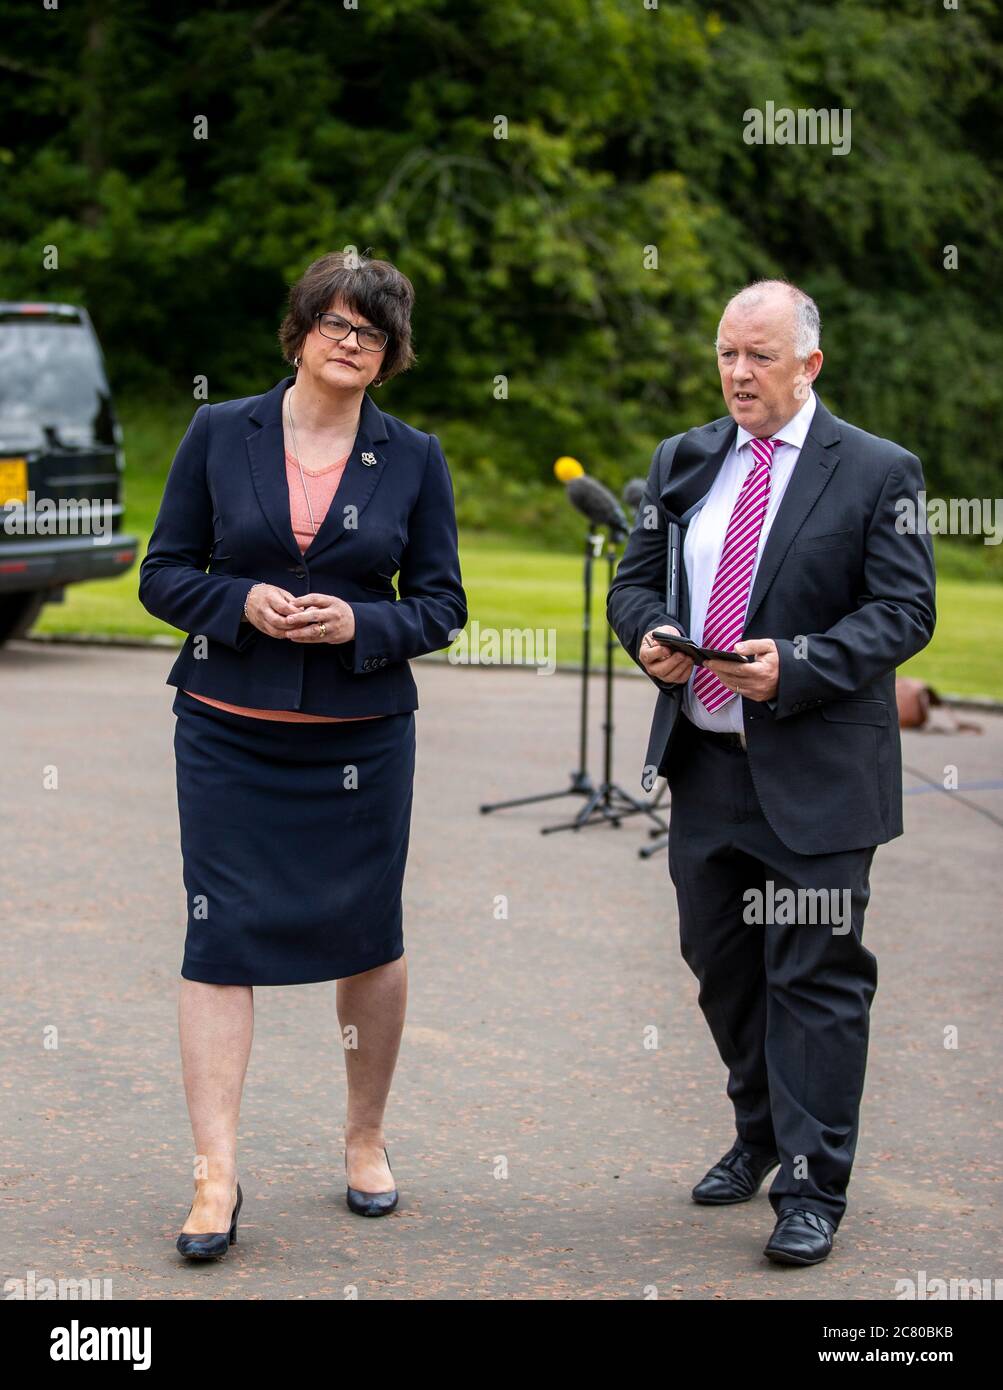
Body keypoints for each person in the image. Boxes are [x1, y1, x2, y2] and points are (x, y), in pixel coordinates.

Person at [139, 250, 467, 1259]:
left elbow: (443, 605)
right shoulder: (216, 431)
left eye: (371, 332)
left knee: (368, 935)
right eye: (335, 323)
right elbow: (161, 574)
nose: (351, 342)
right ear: (300, 331)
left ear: (390, 353)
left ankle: (364, 1139)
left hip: (360, 743)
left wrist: (362, 625)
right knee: (218, 937)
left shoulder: (414, 456)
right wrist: (237, 602)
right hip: (226, 730)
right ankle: (215, 1174)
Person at [607, 279, 935, 1265]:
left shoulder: (879, 471)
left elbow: (904, 610)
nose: (737, 373)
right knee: (724, 974)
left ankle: (809, 1182)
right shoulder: (683, 459)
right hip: (706, 765)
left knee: (814, 978)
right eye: (725, 354)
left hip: (819, 771)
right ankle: (759, 1130)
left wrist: (796, 663)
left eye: (758, 355)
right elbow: (634, 580)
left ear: (809, 364)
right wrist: (648, 636)